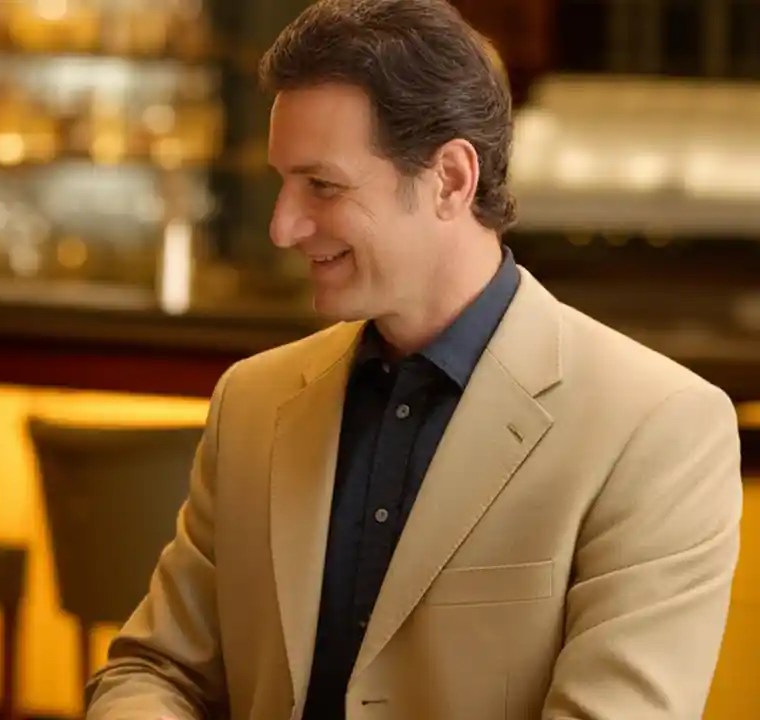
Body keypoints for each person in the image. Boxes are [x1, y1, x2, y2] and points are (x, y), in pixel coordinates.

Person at [85, 2, 742, 719]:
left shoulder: (658, 428)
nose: (282, 226)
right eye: (282, 183)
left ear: (452, 180)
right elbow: (154, 672)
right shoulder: (252, 399)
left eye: (322, 186)